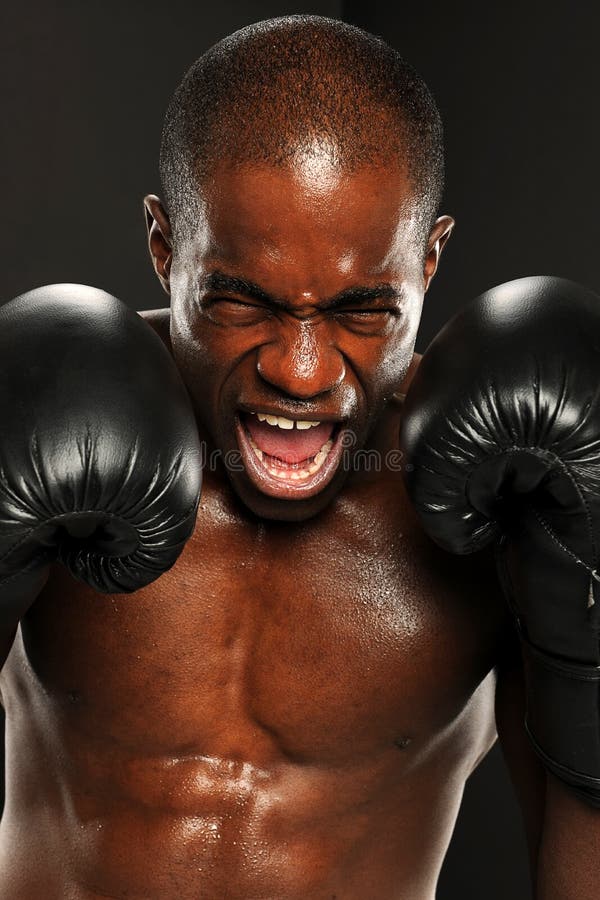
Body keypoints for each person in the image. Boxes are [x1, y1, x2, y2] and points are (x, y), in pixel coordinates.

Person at [0, 14, 597, 899]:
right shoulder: (54, 427)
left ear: (429, 261)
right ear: (166, 247)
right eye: (243, 303)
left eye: (363, 310)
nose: (300, 371)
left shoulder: (510, 493)